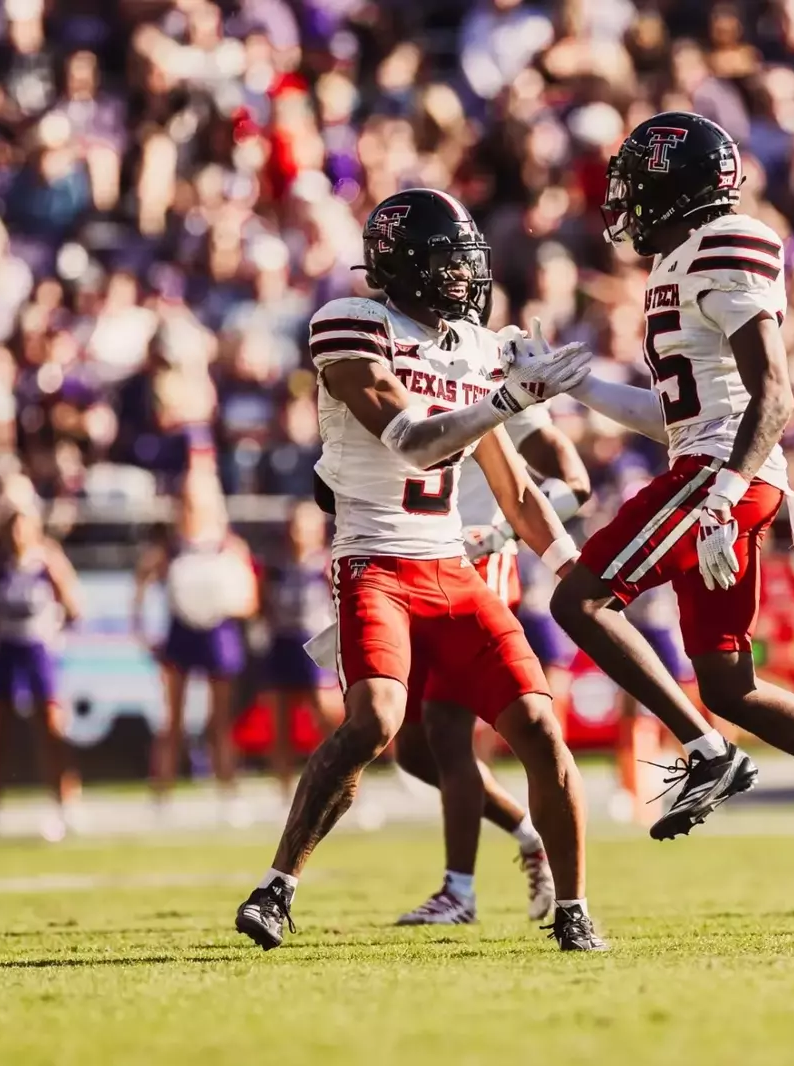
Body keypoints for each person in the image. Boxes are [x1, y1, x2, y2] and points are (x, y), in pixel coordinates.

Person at [550, 111, 794, 897]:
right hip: (714, 469)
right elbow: (680, 411)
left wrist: (722, 497)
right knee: (732, 685)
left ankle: (706, 752)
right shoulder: (679, 262)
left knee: (581, 599)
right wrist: (577, 385)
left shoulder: (729, 243)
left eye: (641, 184)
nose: (626, 199)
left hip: (721, 477)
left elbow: (775, 394)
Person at [234, 189, 606, 952]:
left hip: (453, 566)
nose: (462, 280)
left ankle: (573, 908)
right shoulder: (351, 324)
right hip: (375, 561)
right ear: (402, 266)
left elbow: (518, 492)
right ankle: (277, 887)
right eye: (445, 264)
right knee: (376, 720)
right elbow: (410, 438)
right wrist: (502, 399)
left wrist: (580, 576)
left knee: (539, 724)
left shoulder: (470, 348)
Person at [390, 397, 587, 926]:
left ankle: (459, 890)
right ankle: (529, 833)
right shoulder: (396, 362)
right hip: (410, 563)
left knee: (447, 727)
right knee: (410, 748)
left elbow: (574, 483)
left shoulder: (491, 373)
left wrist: (501, 533)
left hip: (477, 567)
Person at [134, 472, 258, 823]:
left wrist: (222, 604)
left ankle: (229, 795)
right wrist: (144, 632)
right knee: (171, 720)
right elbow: (141, 586)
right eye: (185, 501)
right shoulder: (169, 547)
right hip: (180, 634)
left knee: (220, 721)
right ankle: (161, 798)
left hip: (218, 633)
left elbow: (250, 598)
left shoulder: (229, 546)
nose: (189, 508)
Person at [0, 502, 84, 842]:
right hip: (4, 649)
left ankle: (65, 800)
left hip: (38, 649)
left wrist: (58, 632)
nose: (17, 533)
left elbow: (74, 604)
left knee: (51, 725)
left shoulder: (47, 558)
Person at [258, 500, 342, 794]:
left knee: (327, 717)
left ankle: (343, 785)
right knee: (280, 721)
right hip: (283, 641)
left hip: (316, 643)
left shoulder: (327, 564)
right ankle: (284, 790)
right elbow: (262, 604)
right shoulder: (276, 566)